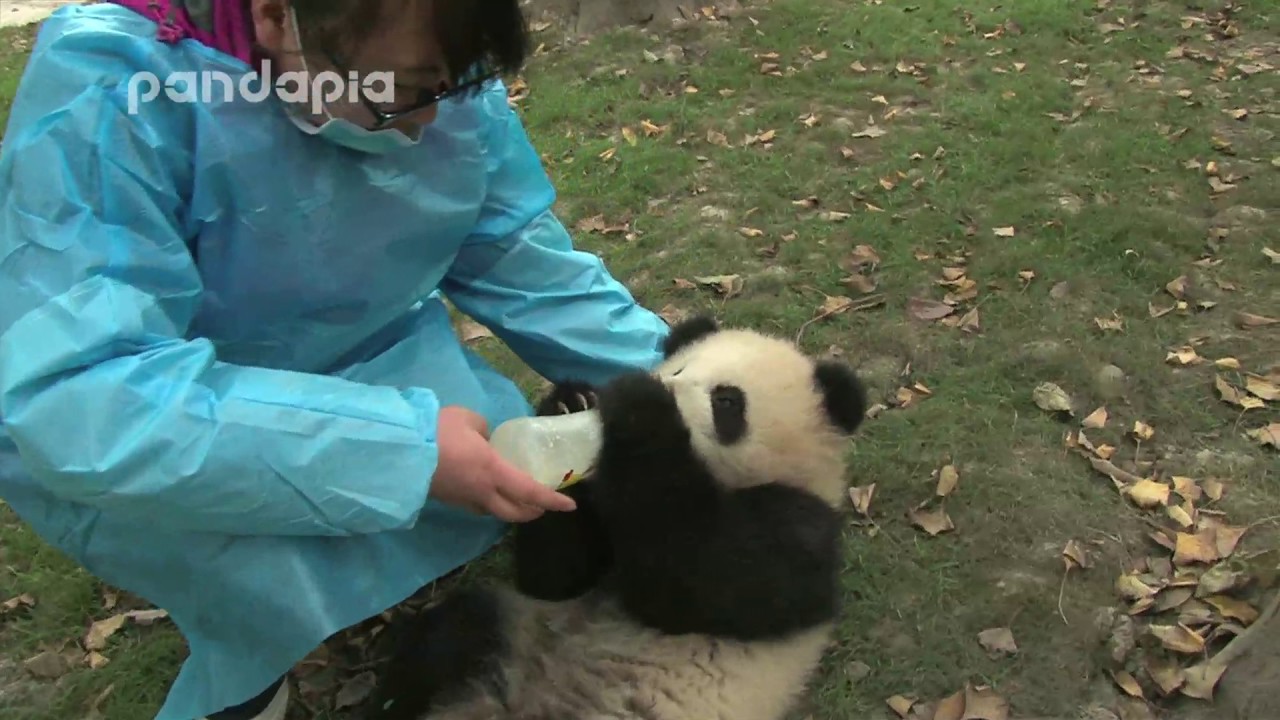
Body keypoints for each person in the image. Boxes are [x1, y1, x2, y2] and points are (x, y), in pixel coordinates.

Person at [0, 0, 671, 718]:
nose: (426, 127)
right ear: (271, 16)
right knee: (260, 563)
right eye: (404, 96)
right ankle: (250, 672)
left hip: (364, 363)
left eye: (451, 89)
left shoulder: (429, 63)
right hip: (168, 424)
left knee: (493, 437)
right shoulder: (112, 91)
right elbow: (85, 398)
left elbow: (517, 251)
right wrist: (400, 450)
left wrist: (684, 375)